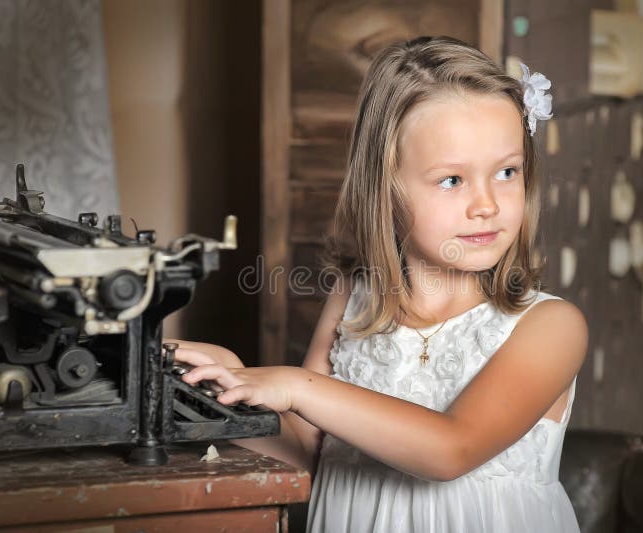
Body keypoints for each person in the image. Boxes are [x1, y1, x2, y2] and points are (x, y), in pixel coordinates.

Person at [171, 36, 587, 532]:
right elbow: (303, 451)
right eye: (452, 180)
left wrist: (293, 384)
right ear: (385, 188)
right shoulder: (355, 298)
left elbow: (451, 449)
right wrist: (232, 389)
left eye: (507, 171)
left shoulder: (551, 327)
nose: (487, 205)